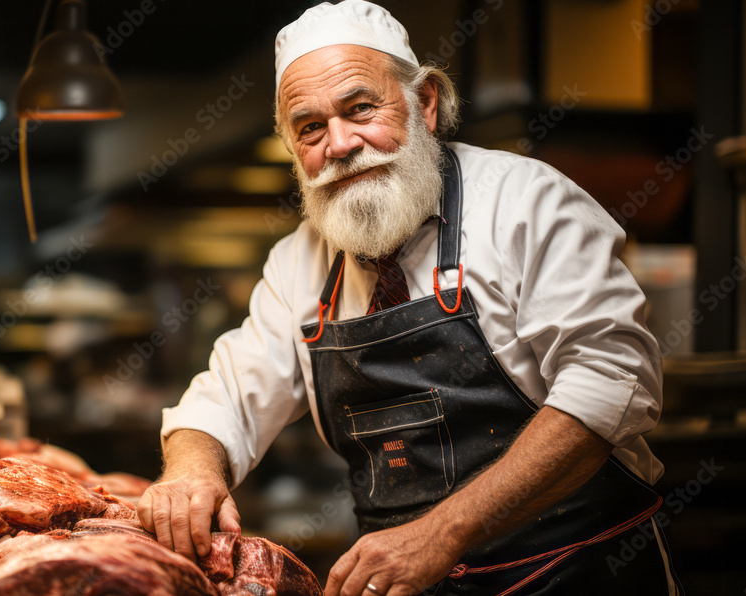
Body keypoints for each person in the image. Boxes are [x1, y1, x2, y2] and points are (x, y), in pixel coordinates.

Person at [137, 2, 682, 594]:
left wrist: (441, 534)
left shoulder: (528, 204)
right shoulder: (301, 260)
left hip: (578, 571)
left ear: (423, 102)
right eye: (311, 127)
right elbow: (227, 397)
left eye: (360, 108)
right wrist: (190, 471)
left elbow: (610, 382)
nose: (340, 145)